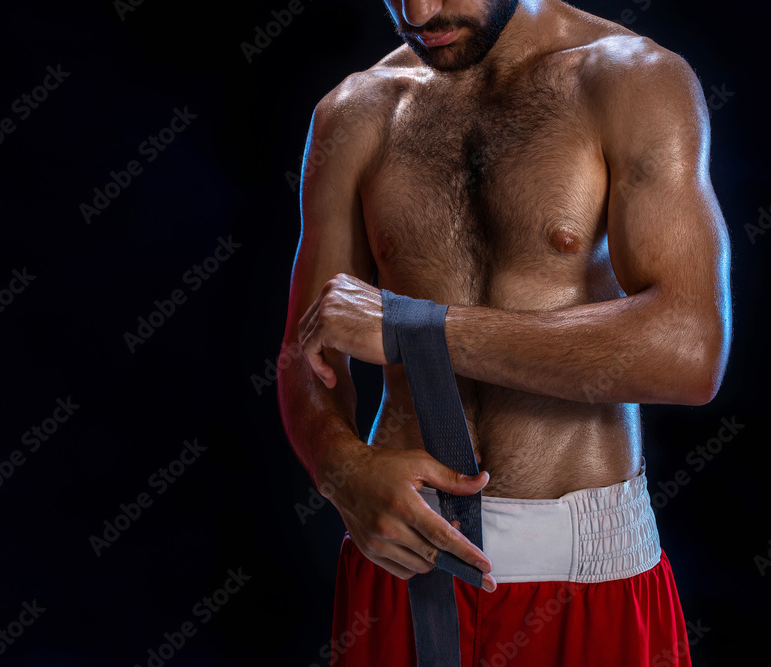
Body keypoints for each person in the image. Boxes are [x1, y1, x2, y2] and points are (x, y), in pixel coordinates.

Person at [278, 0, 731, 664]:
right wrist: (339, 465)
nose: (419, 10)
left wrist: (417, 328)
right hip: (404, 574)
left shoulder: (632, 81)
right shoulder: (355, 112)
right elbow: (302, 352)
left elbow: (691, 347)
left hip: (586, 582)